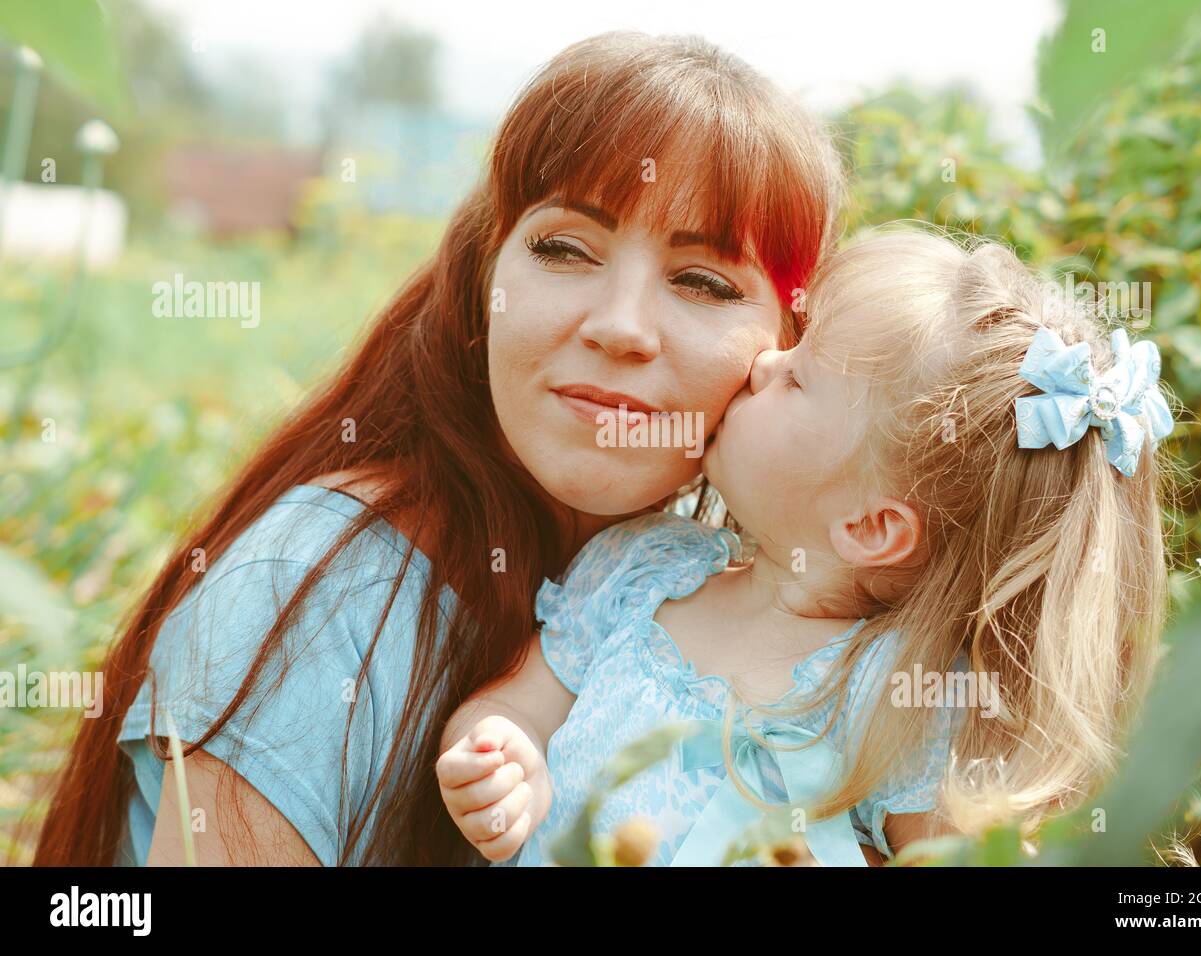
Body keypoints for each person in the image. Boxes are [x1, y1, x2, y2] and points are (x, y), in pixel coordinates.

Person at [32, 31, 844, 866]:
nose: (621, 326)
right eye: (565, 248)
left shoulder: (706, 598)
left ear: (791, 349)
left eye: (704, 282)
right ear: (484, 273)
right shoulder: (320, 589)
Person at [437, 224, 1174, 866]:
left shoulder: (895, 694)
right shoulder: (643, 571)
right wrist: (502, 751)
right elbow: (523, 702)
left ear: (869, 527)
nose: (763, 364)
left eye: (797, 378)